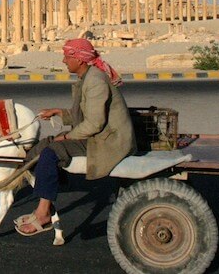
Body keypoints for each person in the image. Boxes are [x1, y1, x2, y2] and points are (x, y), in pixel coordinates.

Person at [15, 38, 136, 236]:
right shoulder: (87, 78)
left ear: (79, 60)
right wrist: (57, 112)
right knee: (42, 146)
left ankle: (44, 213)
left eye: (66, 56)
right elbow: (83, 115)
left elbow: (94, 123)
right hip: (97, 134)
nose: (63, 61)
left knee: (50, 151)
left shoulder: (95, 81)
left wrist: (67, 137)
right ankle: (51, 192)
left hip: (107, 141)